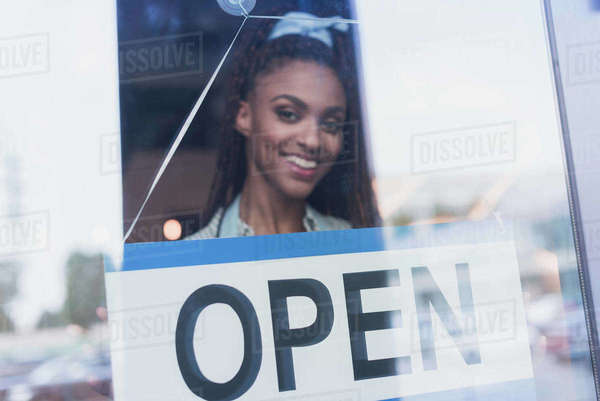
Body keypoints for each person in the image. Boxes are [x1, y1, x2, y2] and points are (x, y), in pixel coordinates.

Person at [186, 11, 379, 239]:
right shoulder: (196, 261)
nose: (312, 141)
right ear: (243, 116)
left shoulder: (355, 245)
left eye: (331, 124)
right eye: (288, 114)